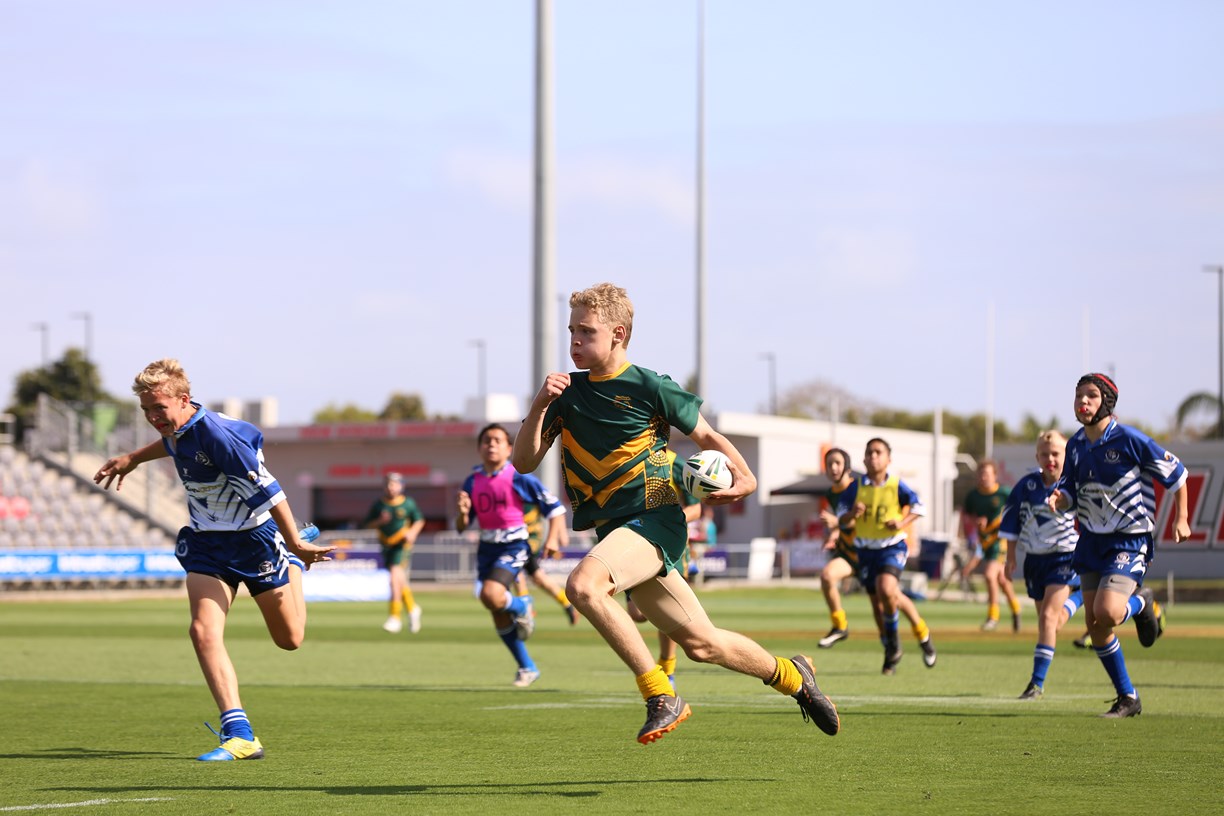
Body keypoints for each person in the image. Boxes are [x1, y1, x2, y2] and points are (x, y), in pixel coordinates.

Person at [512, 282, 839, 744]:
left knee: (583, 586)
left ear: (618, 334)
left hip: (655, 518)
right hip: (617, 533)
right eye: (571, 332)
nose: (575, 341)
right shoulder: (565, 394)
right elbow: (524, 462)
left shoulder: (650, 385)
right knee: (703, 645)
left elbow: (708, 437)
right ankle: (793, 675)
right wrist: (540, 404)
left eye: (586, 331)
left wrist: (745, 478)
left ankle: (660, 694)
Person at [93, 358, 334, 761]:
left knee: (289, 640)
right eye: (146, 410)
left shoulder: (219, 438)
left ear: (184, 400)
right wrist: (132, 458)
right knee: (202, 631)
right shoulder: (176, 428)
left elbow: (271, 491)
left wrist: (294, 543)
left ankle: (291, 563)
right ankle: (240, 734)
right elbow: (172, 444)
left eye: (159, 408)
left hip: (256, 542)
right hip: (207, 544)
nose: (153, 417)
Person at [1048, 373, 1186, 718]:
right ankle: (1128, 697)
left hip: (1129, 538)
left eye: (1091, 395)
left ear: (1107, 402)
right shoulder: (1075, 445)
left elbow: (1178, 475)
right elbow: (1069, 490)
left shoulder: (1130, 439)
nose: (1083, 401)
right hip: (1091, 540)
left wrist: (1182, 518)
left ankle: (1142, 603)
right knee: (1096, 626)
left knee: (1108, 612)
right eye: (1078, 395)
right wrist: (1060, 499)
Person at [456, 423, 566, 687]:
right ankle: (527, 667)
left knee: (491, 594)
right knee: (495, 608)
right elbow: (462, 527)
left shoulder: (519, 476)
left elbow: (555, 508)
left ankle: (523, 605)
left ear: (509, 449)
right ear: (479, 448)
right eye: (486, 440)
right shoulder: (472, 481)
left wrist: (552, 538)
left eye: (498, 440)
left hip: (514, 545)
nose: (491, 444)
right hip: (486, 548)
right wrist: (462, 513)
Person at [818, 448, 937, 672]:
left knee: (890, 594)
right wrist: (836, 531)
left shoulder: (865, 486)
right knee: (864, 595)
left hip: (882, 549)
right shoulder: (837, 493)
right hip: (857, 553)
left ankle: (921, 636)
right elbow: (845, 523)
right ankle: (852, 631)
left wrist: (900, 522)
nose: (833, 468)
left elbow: (855, 521)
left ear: (848, 467)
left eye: (837, 463)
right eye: (829, 463)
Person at [999, 430, 1085, 700]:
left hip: (1065, 558)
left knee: (1048, 618)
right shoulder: (1026, 486)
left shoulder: (1075, 484)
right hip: (1035, 561)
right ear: (1037, 457)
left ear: (1066, 456)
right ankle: (1080, 597)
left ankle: (1036, 684)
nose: (1050, 459)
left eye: (1056, 454)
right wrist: (1010, 557)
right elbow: (1011, 521)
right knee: (1051, 624)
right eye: (1045, 454)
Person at [625, 448, 704, 691]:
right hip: (635, 540)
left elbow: (696, 509)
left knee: (669, 611)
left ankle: (667, 668)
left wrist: (667, 520)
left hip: (670, 543)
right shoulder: (626, 459)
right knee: (637, 614)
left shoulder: (674, 462)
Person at [963, 461, 1022, 632]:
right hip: (985, 542)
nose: (983, 477)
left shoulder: (1004, 493)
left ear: (995, 476)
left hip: (1000, 541)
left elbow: (1018, 509)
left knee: (989, 575)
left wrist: (1007, 522)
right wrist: (976, 523)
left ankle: (993, 617)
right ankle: (1016, 610)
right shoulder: (973, 496)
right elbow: (968, 516)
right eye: (981, 474)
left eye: (987, 474)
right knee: (1002, 581)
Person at [364, 472, 425, 634]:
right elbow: (368, 524)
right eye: (388, 484)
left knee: (393, 578)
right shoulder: (379, 504)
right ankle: (412, 608)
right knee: (399, 580)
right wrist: (380, 521)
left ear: (401, 486)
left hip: (401, 545)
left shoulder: (408, 503)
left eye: (394, 484)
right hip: (386, 545)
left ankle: (394, 616)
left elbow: (419, 520)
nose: (391, 488)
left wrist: (412, 533)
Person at [513, 494, 579, 626]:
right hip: (520, 539)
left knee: (515, 569)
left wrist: (560, 534)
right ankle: (566, 603)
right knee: (538, 577)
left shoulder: (528, 487)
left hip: (527, 540)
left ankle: (525, 610)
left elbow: (555, 507)